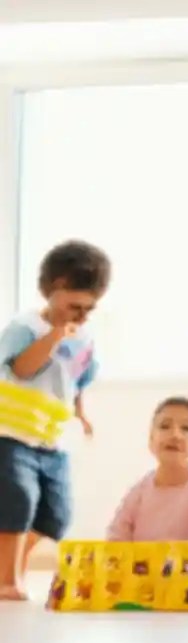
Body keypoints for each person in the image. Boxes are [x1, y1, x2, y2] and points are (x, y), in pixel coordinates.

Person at [0, 239, 110, 601]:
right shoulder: (26, 327)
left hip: (52, 440)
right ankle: (7, 579)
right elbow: (23, 368)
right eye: (75, 306)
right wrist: (55, 334)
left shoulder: (83, 338)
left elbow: (77, 380)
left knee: (56, 516)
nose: (81, 316)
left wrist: (82, 413)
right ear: (55, 289)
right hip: (12, 433)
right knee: (17, 501)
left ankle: (10, 567)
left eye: (89, 310)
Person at [106, 397, 188, 551]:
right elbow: (119, 529)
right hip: (138, 571)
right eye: (164, 426)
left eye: (187, 429)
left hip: (183, 571)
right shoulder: (141, 489)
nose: (175, 434)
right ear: (151, 441)